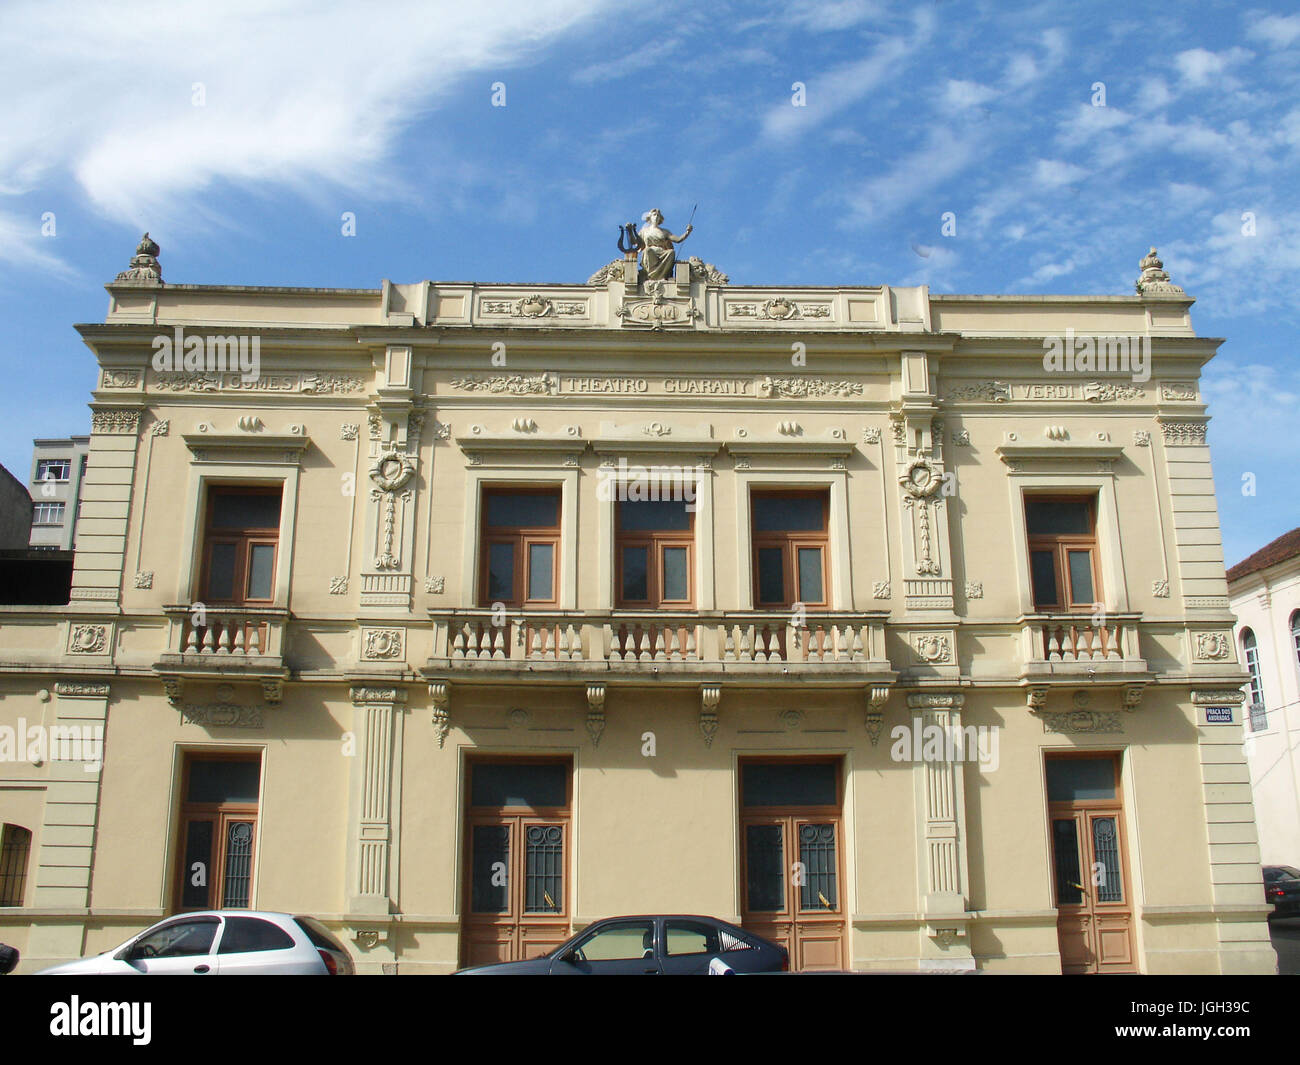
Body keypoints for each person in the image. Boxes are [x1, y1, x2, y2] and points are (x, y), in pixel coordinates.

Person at [636, 208, 693, 281]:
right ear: (650, 217)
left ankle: (662, 274)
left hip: (662, 252)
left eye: (658, 216)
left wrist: (687, 232)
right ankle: (651, 274)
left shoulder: (665, 232)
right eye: (654, 215)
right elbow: (635, 242)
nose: (656, 217)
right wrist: (630, 232)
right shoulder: (644, 231)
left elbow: (678, 240)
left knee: (671, 252)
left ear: (660, 218)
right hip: (650, 252)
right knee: (648, 250)